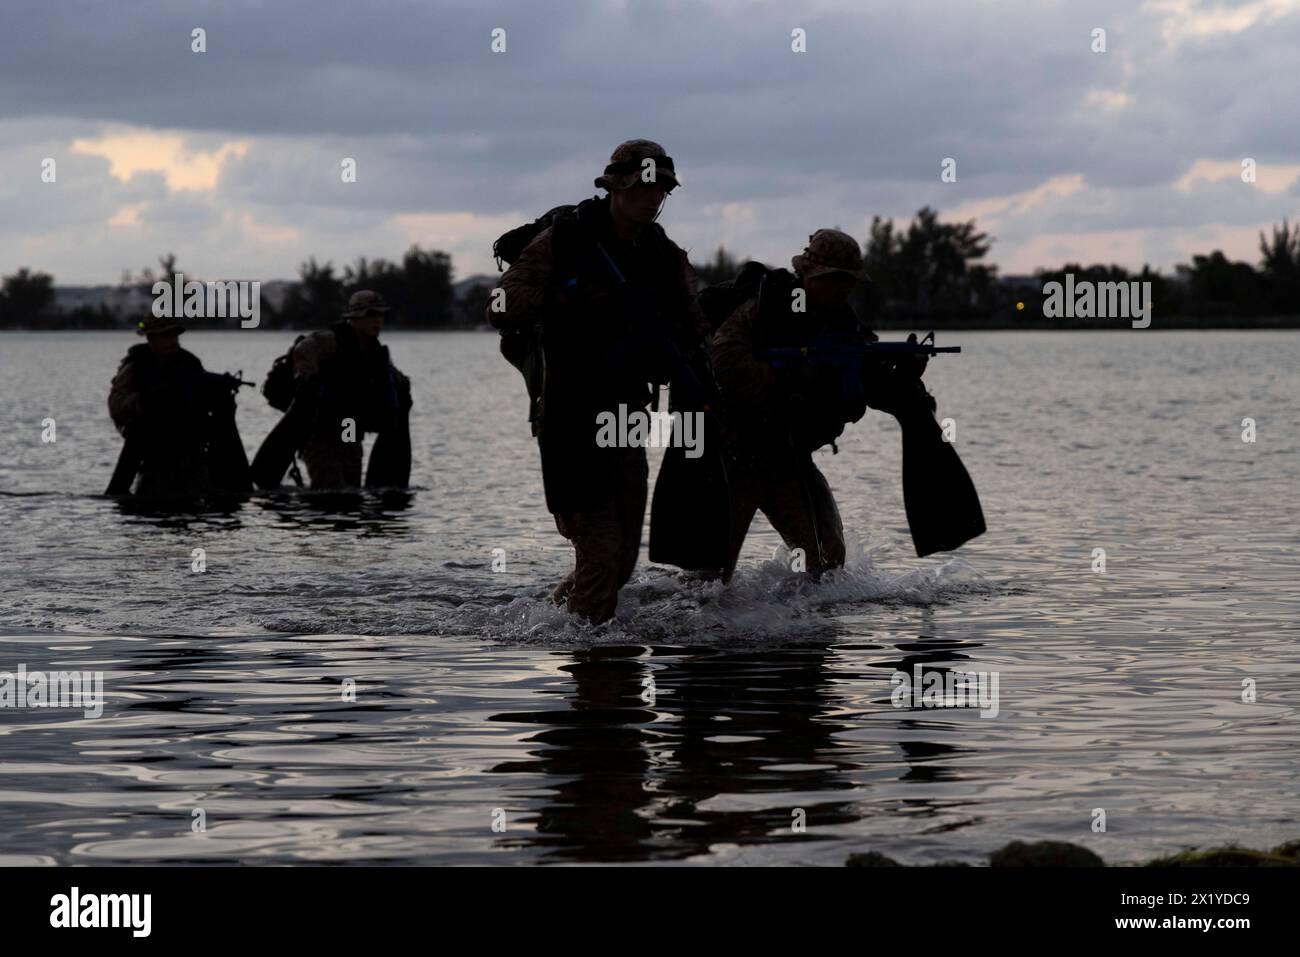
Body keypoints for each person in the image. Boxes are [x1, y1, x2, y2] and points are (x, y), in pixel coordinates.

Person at [490, 139, 711, 624]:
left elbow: (695, 326)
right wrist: (570, 297)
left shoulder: (662, 254)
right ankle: (591, 658)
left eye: (661, 189)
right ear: (616, 186)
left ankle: (550, 626)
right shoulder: (568, 240)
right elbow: (499, 306)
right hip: (569, 414)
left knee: (622, 560)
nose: (652, 197)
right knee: (602, 551)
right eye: (643, 187)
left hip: (627, 415)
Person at [710, 228, 928, 578]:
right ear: (809, 274)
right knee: (711, 572)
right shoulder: (767, 309)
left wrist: (905, 376)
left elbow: (870, 384)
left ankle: (798, 612)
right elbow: (723, 361)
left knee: (827, 562)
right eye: (834, 279)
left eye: (849, 281)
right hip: (735, 458)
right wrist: (793, 376)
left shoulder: (845, 325)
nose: (843, 288)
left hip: (788, 460)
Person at [107, 314, 251, 498]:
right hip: (149, 435)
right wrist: (149, 400)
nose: (172, 340)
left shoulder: (189, 363)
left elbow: (201, 391)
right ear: (151, 338)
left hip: (189, 437)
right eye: (165, 336)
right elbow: (117, 407)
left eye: (174, 335)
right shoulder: (136, 366)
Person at [288, 290, 412, 488]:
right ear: (354, 317)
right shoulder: (333, 339)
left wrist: (402, 386)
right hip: (322, 429)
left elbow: (391, 378)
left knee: (351, 489)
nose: (377, 320)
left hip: (350, 426)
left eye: (380, 315)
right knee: (331, 488)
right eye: (370, 314)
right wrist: (307, 379)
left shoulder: (374, 352)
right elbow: (304, 348)